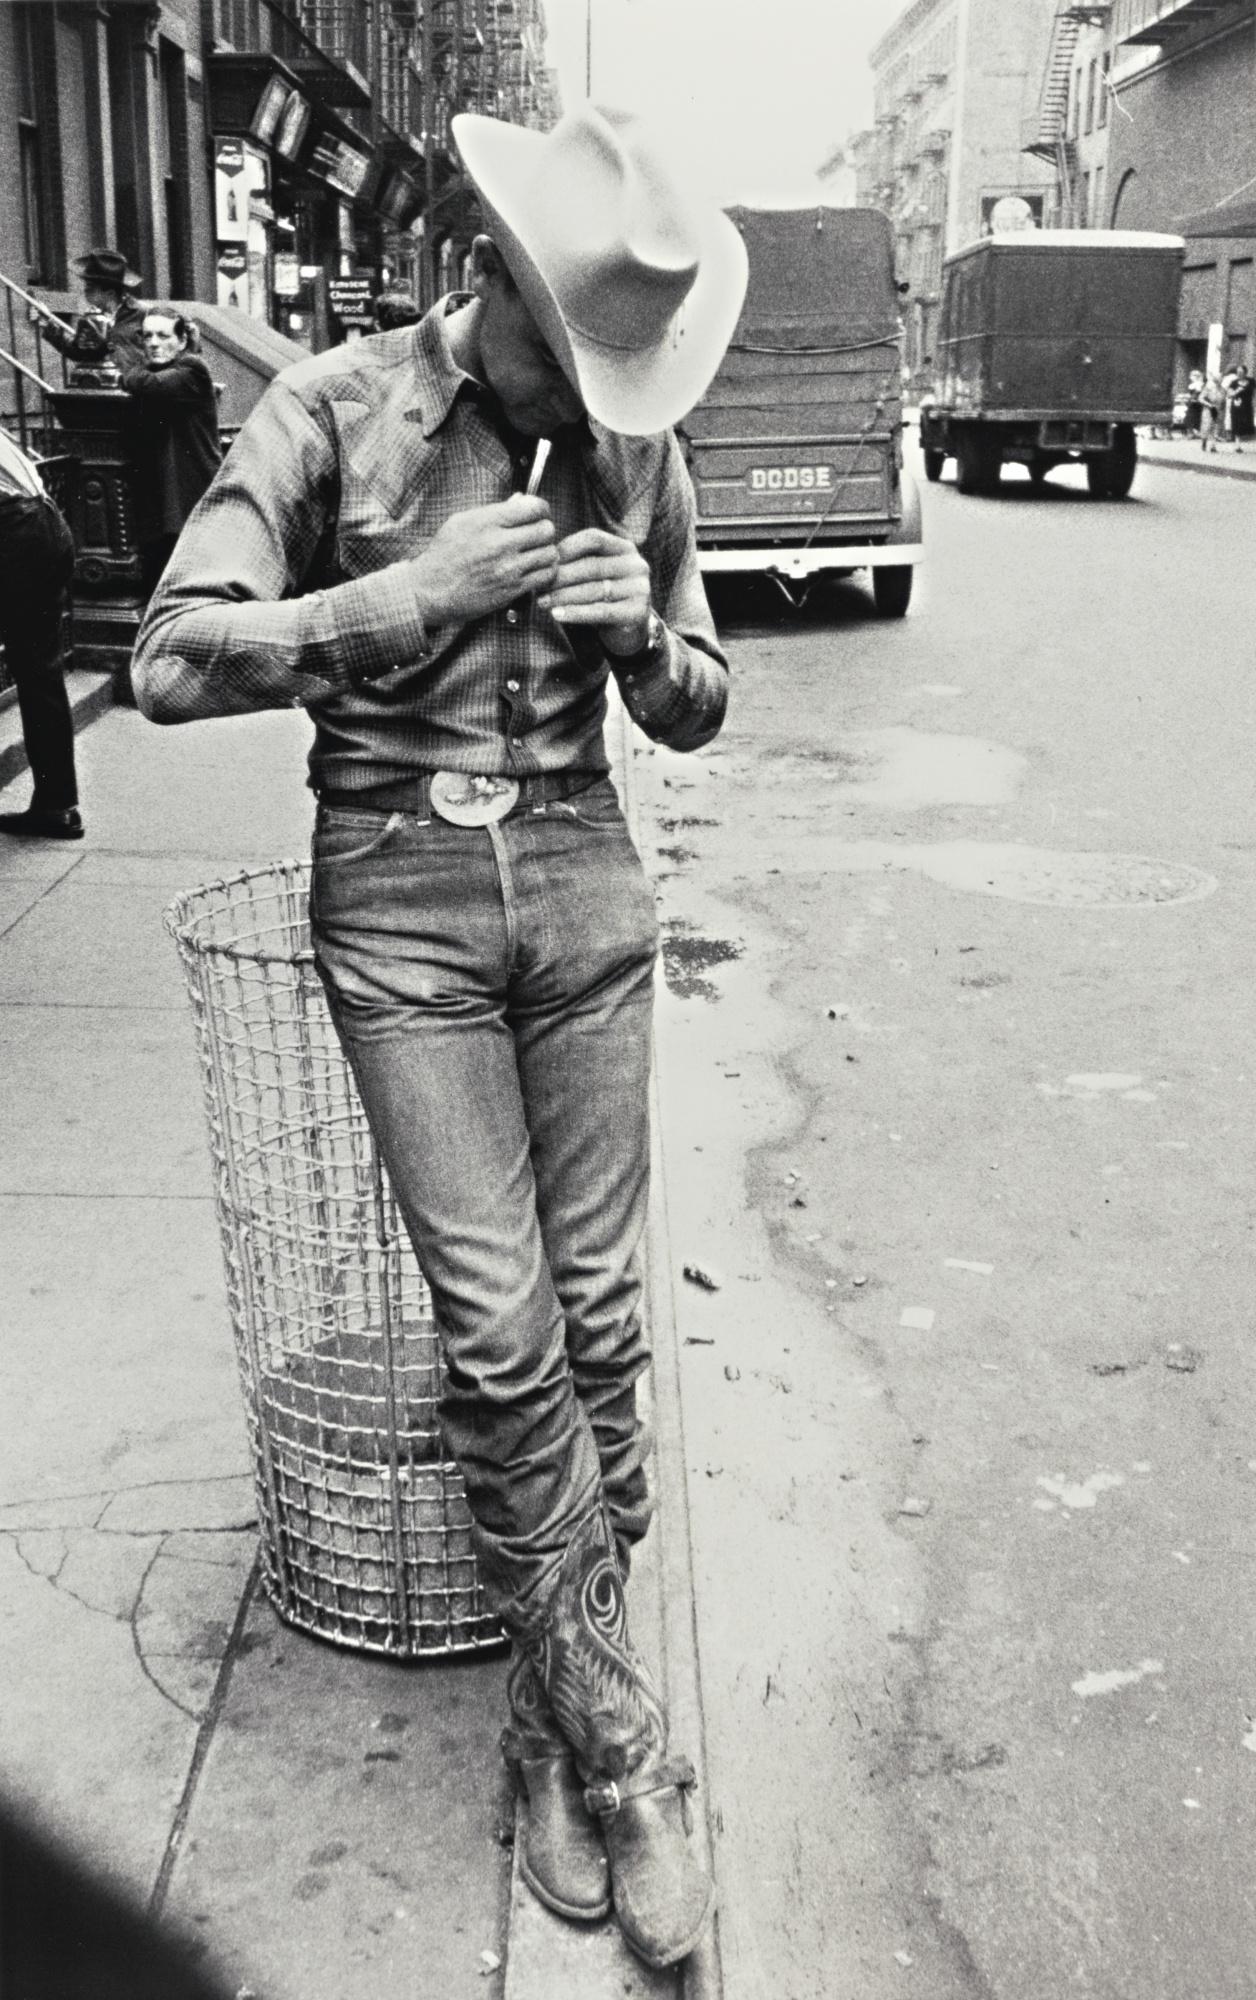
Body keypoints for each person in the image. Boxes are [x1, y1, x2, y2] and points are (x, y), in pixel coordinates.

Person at [130, 104, 747, 1971]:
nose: (604, 399)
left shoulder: (638, 451)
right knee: (501, 1330)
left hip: (583, 879)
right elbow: (167, 656)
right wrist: (406, 600)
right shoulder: (326, 408)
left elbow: (707, 701)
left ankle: (572, 1713)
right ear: (491, 279)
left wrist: (645, 644)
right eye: (581, 353)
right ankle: (627, 1757)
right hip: (396, 884)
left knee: (609, 1319)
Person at [0, 427, 82, 841]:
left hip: (17, 529)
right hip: (45, 524)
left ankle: (56, 805)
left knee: (37, 672)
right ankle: (57, 805)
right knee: (41, 676)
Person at [119, 307, 222, 599]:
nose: (152, 343)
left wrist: (127, 372)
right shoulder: (158, 371)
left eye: (163, 335)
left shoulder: (192, 370)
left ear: (182, 341)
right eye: (147, 335)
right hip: (162, 496)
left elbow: (145, 383)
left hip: (191, 490)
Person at [31, 247, 147, 377]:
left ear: (110, 293)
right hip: (101, 386)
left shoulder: (141, 313)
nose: (85, 292)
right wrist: (47, 324)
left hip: (135, 388)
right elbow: (79, 352)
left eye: (90, 289)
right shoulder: (91, 317)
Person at [1224, 360, 1254, 448]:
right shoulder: (1234, 383)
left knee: (1246, 425)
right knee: (1237, 424)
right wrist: (1237, 390)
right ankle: (1238, 445)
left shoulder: (1251, 381)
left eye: (1241, 372)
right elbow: (1229, 395)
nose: (1239, 374)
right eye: (1238, 372)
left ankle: (1241, 441)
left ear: (1245, 372)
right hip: (1237, 406)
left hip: (1247, 406)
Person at [1199, 370, 1224, 453]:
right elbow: (1200, 398)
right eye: (1218, 378)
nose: (1220, 379)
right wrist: (1209, 405)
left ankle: (1213, 446)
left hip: (1218, 410)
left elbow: (1224, 400)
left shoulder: (1223, 390)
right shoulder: (1208, 388)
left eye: (1221, 378)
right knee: (1207, 427)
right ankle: (1204, 441)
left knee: (1216, 427)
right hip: (1208, 410)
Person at [1182, 368, 1204, 436]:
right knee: (1194, 416)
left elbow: (1196, 393)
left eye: (1192, 376)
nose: (1190, 377)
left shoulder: (1198, 384)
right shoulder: (1198, 384)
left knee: (1192, 416)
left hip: (1195, 402)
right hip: (1195, 402)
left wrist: (1191, 397)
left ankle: (1192, 432)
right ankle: (1194, 431)